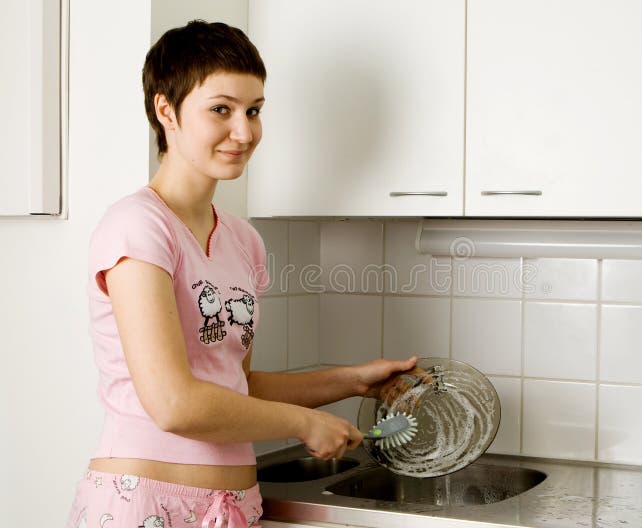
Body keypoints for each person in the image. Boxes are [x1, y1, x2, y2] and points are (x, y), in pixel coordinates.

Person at [66, 20, 417, 528]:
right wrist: (304, 424)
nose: (245, 131)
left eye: (254, 111)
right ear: (166, 110)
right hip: (145, 505)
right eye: (221, 110)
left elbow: (238, 387)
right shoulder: (137, 226)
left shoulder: (243, 241)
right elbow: (174, 404)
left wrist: (352, 381)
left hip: (234, 508)